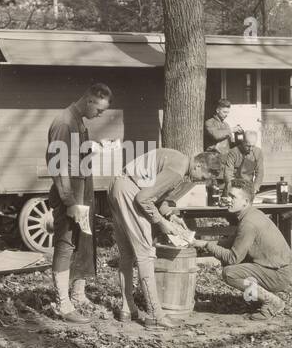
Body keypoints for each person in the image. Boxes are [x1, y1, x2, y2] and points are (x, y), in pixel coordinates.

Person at [106, 147, 223, 328]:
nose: (202, 181)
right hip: (130, 192)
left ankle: (127, 307)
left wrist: (171, 216)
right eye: (204, 177)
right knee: (145, 254)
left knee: (127, 254)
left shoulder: (178, 159)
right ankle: (155, 314)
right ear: (198, 165)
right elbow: (143, 198)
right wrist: (161, 222)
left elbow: (154, 194)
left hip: (119, 186)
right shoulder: (178, 169)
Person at [45, 83, 112, 323]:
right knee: (65, 244)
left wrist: (92, 150)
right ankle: (63, 304)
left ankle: (78, 293)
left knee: (82, 239)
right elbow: (58, 165)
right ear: (90, 100)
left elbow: (75, 157)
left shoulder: (78, 121)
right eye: (100, 110)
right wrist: (69, 201)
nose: (100, 115)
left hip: (82, 190)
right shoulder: (64, 122)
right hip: (70, 193)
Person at [193, 182, 292, 320]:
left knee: (230, 272)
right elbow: (230, 244)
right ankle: (255, 300)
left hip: (278, 275)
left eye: (232, 196)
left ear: (245, 202)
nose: (227, 199)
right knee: (229, 263)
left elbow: (232, 258)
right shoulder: (251, 214)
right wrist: (198, 242)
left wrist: (206, 244)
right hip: (276, 269)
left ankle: (271, 302)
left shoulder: (248, 223)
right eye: (228, 195)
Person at [224, 129, 264, 199]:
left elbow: (260, 172)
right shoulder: (233, 152)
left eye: (253, 146)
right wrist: (232, 190)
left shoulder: (258, 152)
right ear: (243, 142)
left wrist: (255, 188)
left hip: (248, 188)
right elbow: (228, 173)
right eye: (248, 146)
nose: (251, 149)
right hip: (233, 187)